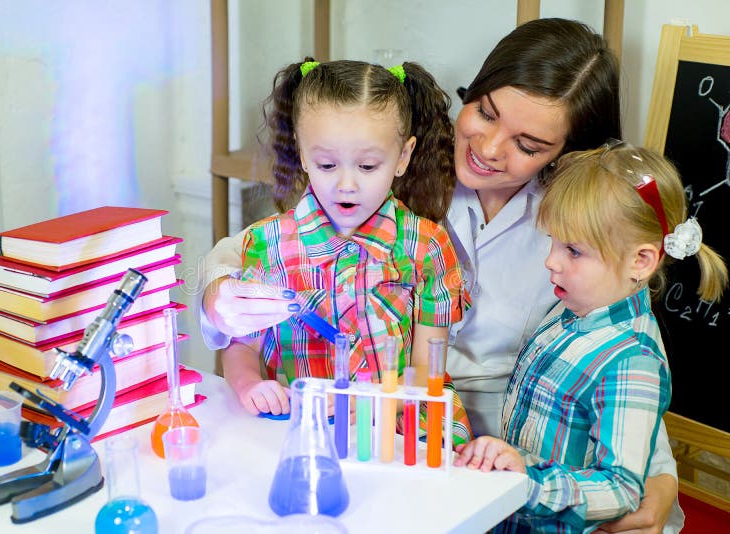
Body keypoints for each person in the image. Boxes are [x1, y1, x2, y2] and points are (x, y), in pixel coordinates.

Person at [198, 18, 682, 532]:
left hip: (509, 459)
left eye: (529, 144)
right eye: (485, 112)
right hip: (380, 429)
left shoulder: (576, 227)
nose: (490, 147)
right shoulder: (384, 168)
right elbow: (247, 252)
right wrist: (218, 294)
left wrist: (658, 478)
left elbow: (622, 357)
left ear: (567, 155)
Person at [454, 143, 728, 533]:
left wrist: (527, 483)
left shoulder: (632, 359)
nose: (551, 259)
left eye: (573, 250)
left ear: (641, 261)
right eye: (553, 241)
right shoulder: (572, 310)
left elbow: (621, 488)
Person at [220, 58, 473, 444]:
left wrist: (380, 399)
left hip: (403, 429)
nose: (346, 184)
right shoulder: (269, 246)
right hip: (302, 430)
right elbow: (242, 344)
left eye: (368, 166)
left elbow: (428, 368)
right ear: (302, 155)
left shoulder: (427, 246)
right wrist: (250, 385)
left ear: (402, 157)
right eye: (326, 163)